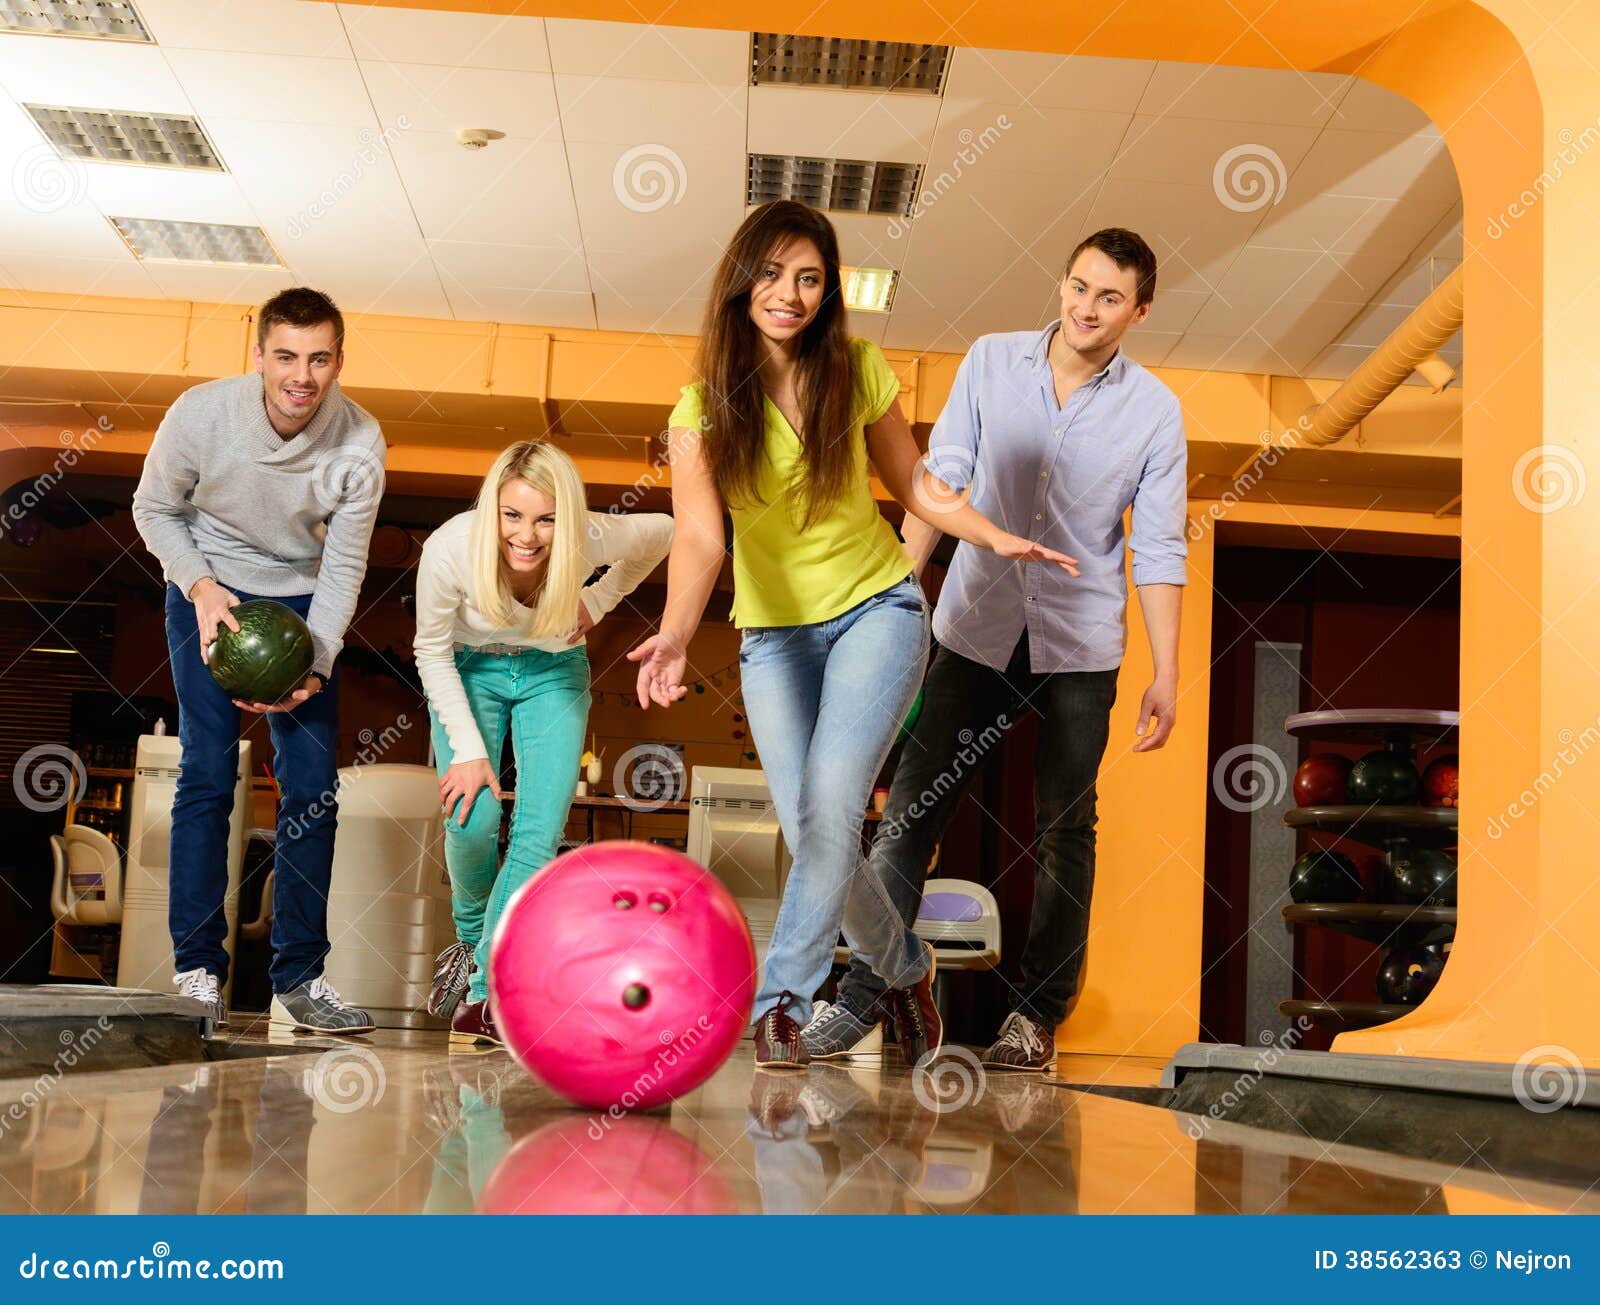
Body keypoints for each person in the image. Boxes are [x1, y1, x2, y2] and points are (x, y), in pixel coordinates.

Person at [627, 200, 1077, 1068]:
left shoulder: (857, 368)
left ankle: (780, 1005)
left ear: (829, 291)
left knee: (832, 807)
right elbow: (700, 536)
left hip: (878, 611)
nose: (789, 293)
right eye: (772, 273)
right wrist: (678, 630)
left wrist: (988, 533)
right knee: (813, 828)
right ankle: (904, 969)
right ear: (740, 279)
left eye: (810, 277)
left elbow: (914, 480)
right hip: (773, 640)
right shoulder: (701, 408)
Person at [810, 228, 1189, 1072]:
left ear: (1141, 311)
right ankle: (863, 998)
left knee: (1065, 829)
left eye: (1110, 298)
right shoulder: (989, 360)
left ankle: (1035, 1016)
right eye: (1079, 287)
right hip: (975, 626)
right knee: (907, 818)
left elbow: (1158, 548)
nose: (1087, 310)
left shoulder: (1155, 411)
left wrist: (1166, 672)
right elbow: (936, 481)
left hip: (1078, 648)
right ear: (1061, 281)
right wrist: (895, 596)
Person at [132, 286, 385, 1034]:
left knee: (311, 786)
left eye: (317, 358)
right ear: (259, 356)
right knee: (207, 770)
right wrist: (203, 587)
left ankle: (300, 980)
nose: (300, 375)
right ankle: (198, 971)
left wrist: (319, 663)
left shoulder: (360, 444)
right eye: (285, 356)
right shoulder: (201, 414)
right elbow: (154, 509)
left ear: (338, 360)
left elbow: (343, 567)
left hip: (303, 602)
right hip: (207, 587)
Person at [415, 440, 673, 1045]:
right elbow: (429, 650)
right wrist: (472, 752)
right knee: (472, 819)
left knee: (537, 832)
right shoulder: (452, 547)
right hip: (468, 668)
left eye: (546, 519)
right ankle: (472, 934)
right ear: (492, 510)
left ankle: (484, 989)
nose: (527, 536)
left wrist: (596, 599)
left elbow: (662, 531)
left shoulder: (589, 538)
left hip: (554, 672)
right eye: (512, 515)